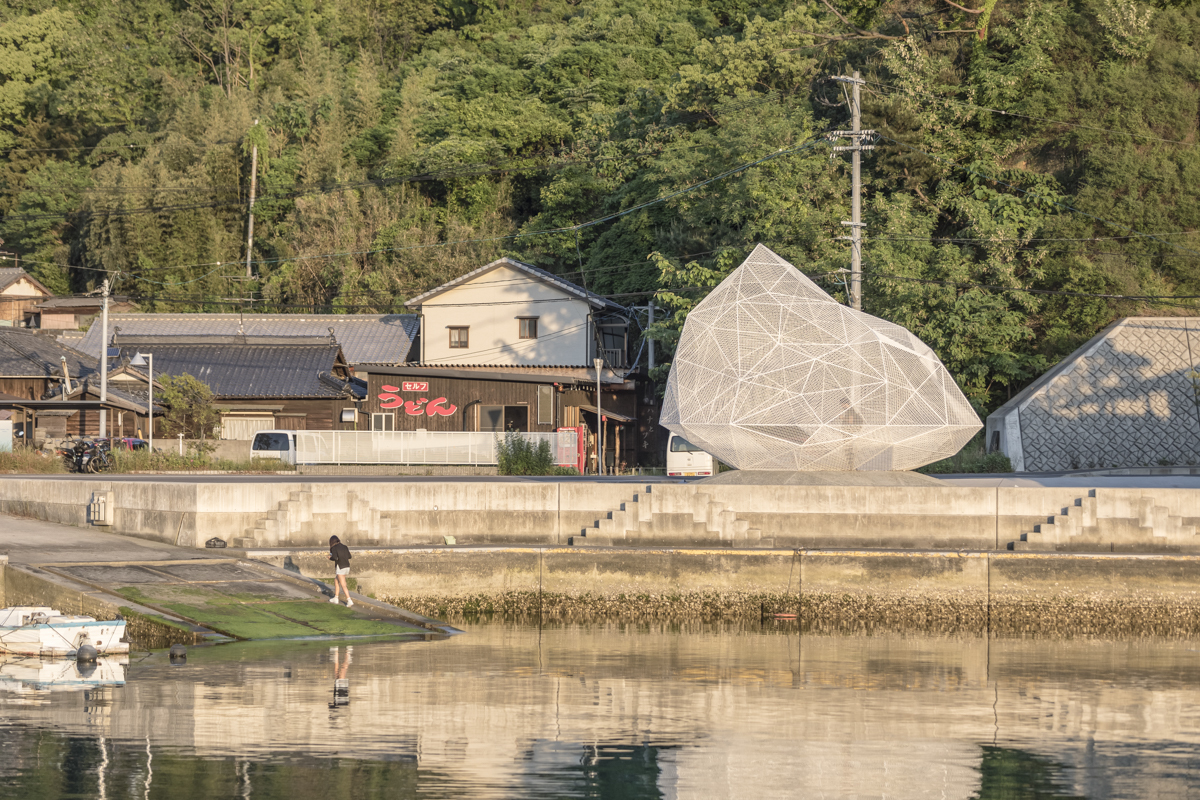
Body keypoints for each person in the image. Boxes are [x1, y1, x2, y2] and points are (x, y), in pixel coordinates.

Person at [328, 535, 354, 607]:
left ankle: (349, 600)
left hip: (340, 567)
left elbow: (335, 558)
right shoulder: (345, 547)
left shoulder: (334, 548)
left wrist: (330, 558)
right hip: (347, 567)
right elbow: (349, 556)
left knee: (343, 585)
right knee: (336, 581)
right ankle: (336, 598)